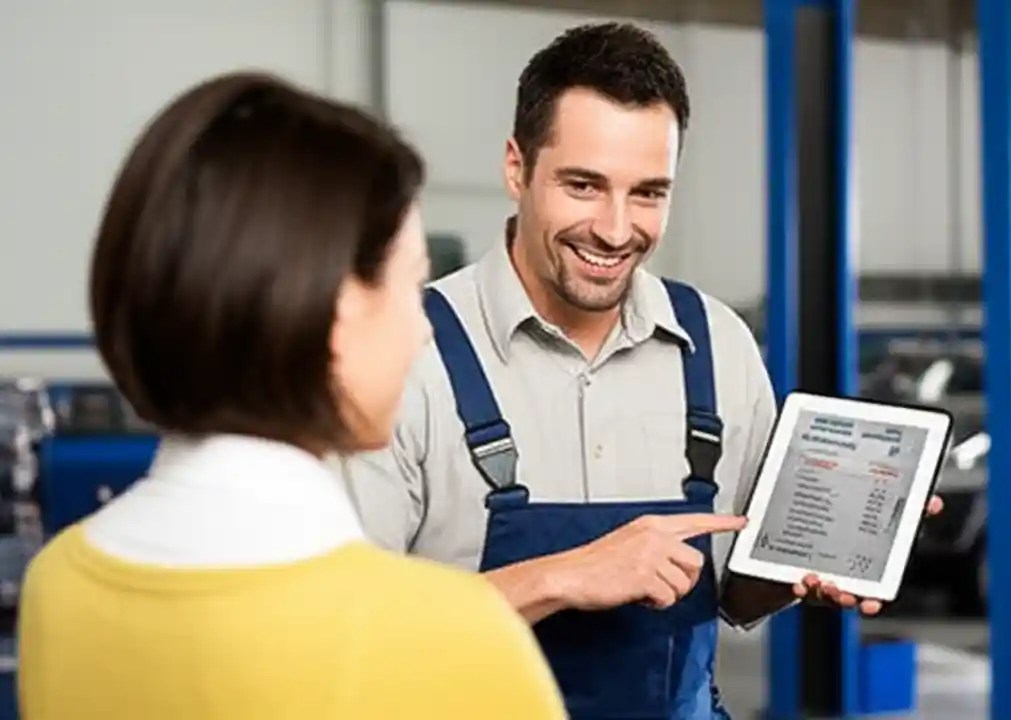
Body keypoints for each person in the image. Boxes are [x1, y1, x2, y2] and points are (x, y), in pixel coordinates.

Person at [339, 22, 940, 719]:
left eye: (649, 192)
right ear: (516, 168)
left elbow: (733, 595)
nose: (616, 229)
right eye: (584, 185)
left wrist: (808, 565)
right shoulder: (405, 353)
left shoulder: (717, 344)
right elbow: (354, 636)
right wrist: (563, 578)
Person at [17, 72, 565, 720]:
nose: (421, 332)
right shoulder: (454, 637)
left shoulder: (57, 586)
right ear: (332, 312)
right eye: (411, 287)